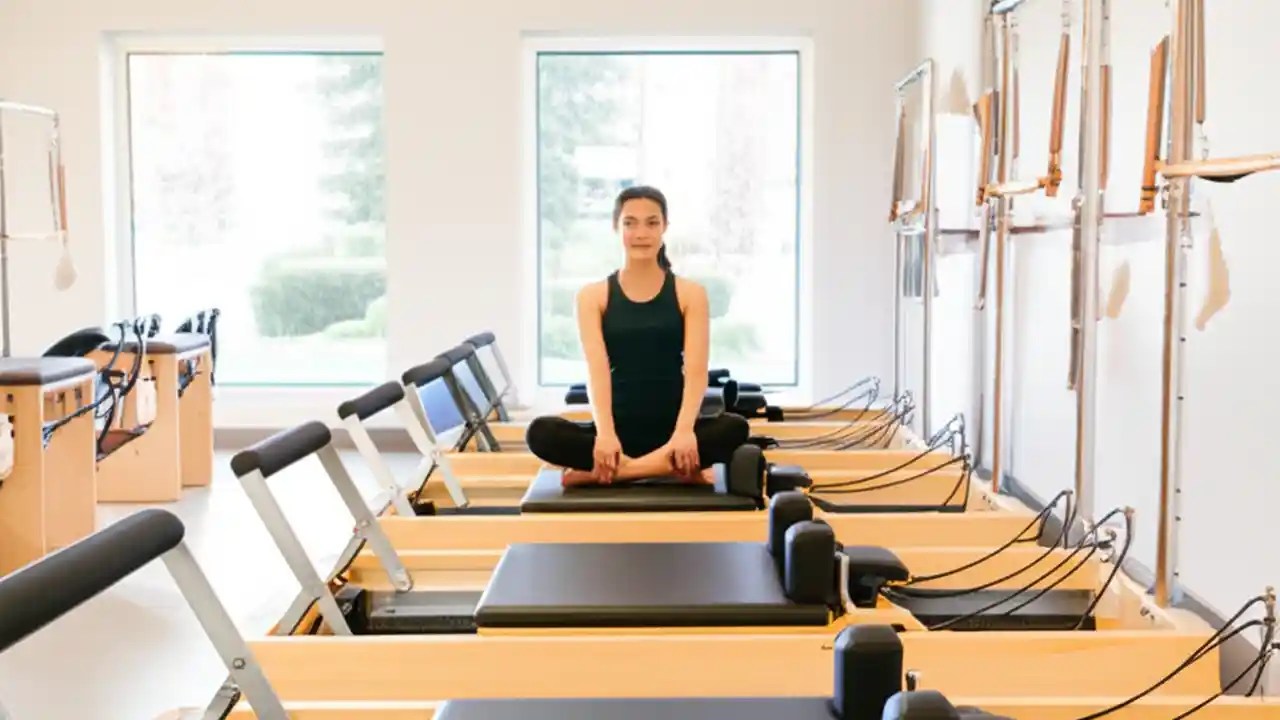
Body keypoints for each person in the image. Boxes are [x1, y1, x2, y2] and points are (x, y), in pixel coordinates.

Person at [526, 185, 750, 486]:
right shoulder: (593, 296)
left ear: (665, 227)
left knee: (735, 428)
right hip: (615, 435)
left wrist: (684, 432)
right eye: (630, 223)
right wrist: (605, 435)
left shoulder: (690, 294)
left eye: (652, 222)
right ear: (616, 227)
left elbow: (696, 372)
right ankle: (671, 469)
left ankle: (610, 475)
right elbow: (597, 370)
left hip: (674, 434)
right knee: (540, 433)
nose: (641, 233)